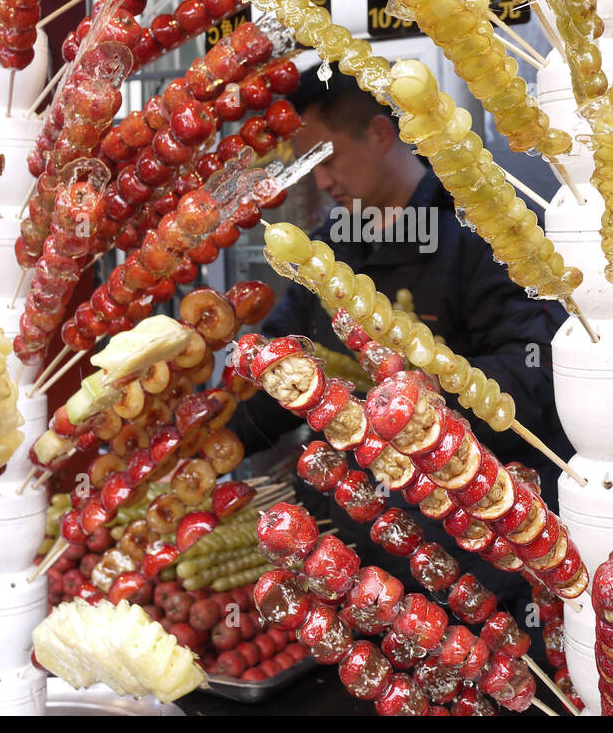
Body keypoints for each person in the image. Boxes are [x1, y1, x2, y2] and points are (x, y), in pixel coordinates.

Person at [231, 64, 570, 502]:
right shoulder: (328, 248)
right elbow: (283, 365)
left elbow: (537, 371)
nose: (321, 182)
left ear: (379, 134)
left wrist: (413, 399)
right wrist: (207, 437)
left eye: (327, 160)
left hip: (478, 512)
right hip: (360, 517)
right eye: (309, 166)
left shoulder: (482, 233)